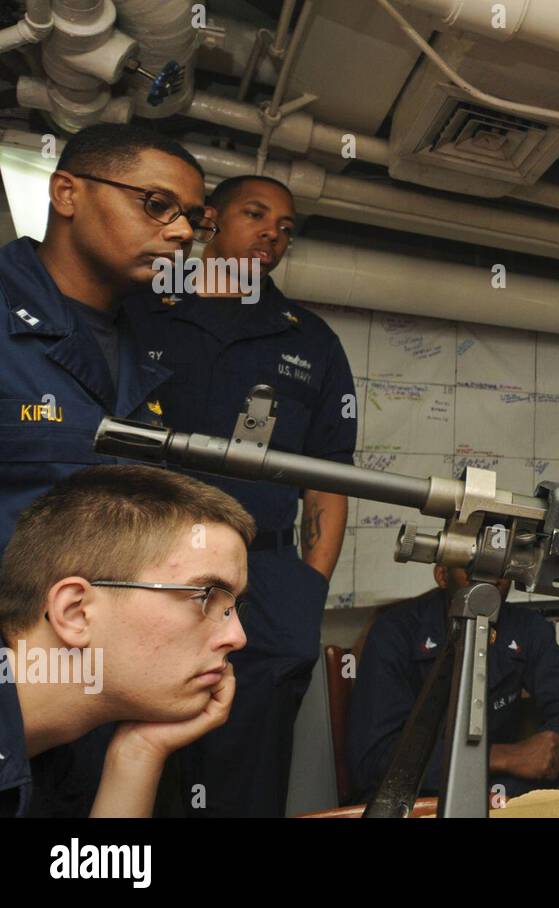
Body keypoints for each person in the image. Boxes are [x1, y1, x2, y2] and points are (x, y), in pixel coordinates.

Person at [124, 174, 357, 816]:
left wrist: (307, 592)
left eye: (285, 228)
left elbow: (330, 480)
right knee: (136, 760)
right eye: (256, 215)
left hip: (265, 582)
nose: (273, 235)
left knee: (248, 777)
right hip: (143, 573)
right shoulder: (142, 308)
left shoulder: (308, 340)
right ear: (210, 221)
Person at [0, 122, 212, 554]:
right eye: (156, 204)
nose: (184, 233)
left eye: (191, 218)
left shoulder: (142, 346)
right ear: (66, 194)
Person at [0, 465, 252, 817]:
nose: (237, 637)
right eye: (205, 596)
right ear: (75, 612)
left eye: (233, 606)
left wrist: (138, 755)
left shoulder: (73, 744)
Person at [347, 564, 559, 803]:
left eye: (500, 572)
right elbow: (374, 759)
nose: (489, 581)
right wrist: (503, 757)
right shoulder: (395, 631)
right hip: (423, 790)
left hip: (497, 785)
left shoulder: (527, 627)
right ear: (441, 575)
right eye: (473, 573)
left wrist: (545, 746)